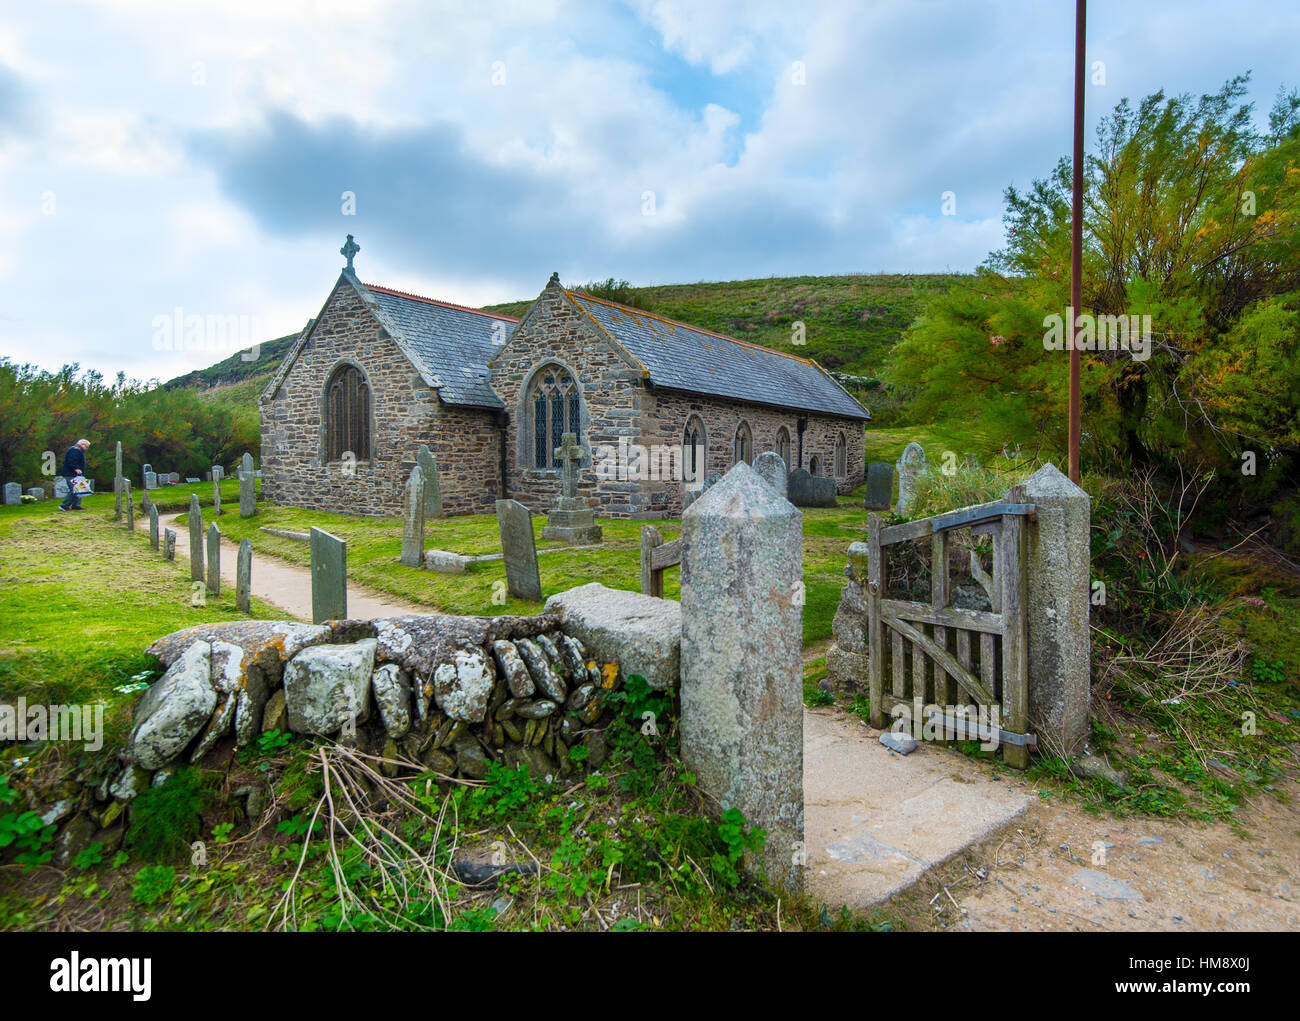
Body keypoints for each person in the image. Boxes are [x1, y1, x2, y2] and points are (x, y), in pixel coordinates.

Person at [58, 438, 91, 512]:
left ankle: (76, 505)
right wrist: (76, 468)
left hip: (76, 474)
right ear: (82, 444)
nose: (86, 448)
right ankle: (64, 505)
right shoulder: (74, 450)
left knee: (79, 488)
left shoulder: (77, 450)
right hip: (71, 473)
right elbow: (71, 460)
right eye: (86, 446)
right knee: (74, 488)